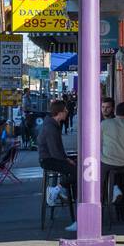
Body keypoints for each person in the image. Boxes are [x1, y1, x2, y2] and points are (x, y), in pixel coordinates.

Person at [38, 99, 77, 232]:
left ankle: (64, 191)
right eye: (65, 110)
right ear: (59, 112)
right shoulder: (51, 127)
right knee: (77, 171)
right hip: (48, 160)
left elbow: (57, 150)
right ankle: (56, 189)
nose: (67, 112)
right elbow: (55, 152)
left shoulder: (53, 124)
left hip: (50, 157)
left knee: (76, 168)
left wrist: (67, 158)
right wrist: (67, 159)